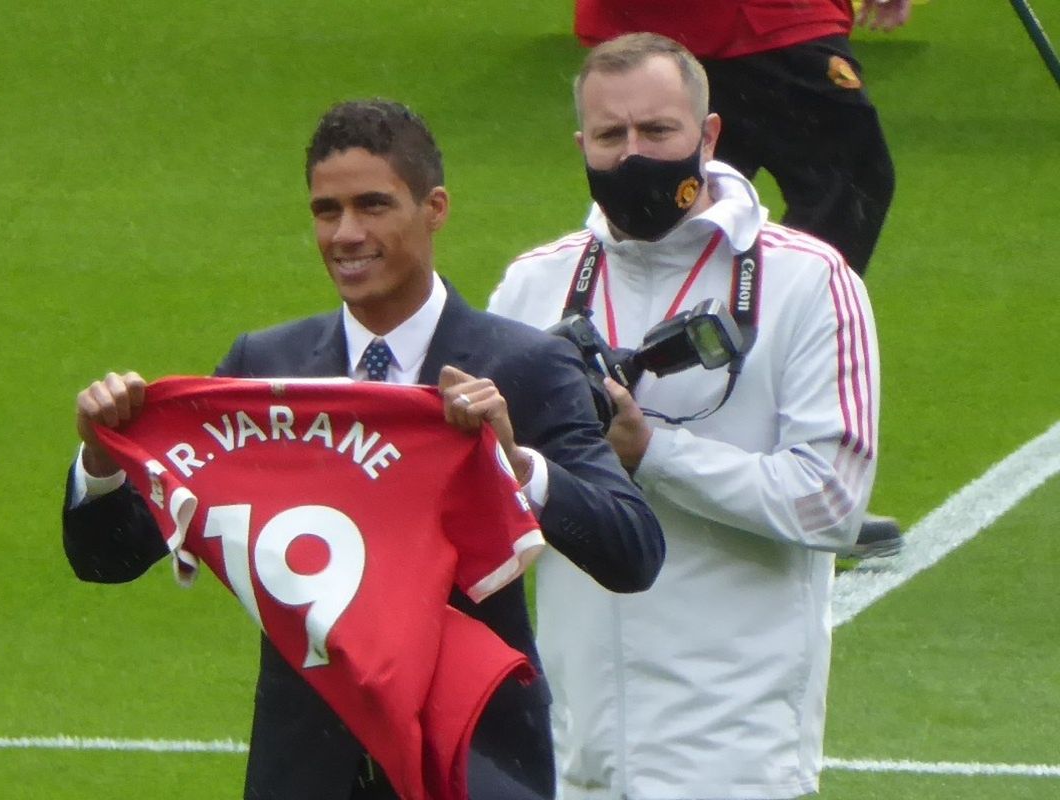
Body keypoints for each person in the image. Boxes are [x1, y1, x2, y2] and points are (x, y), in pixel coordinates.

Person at [62, 99, 665, 800]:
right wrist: (102, 463)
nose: (347, 234)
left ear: (433, 207)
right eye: (327, 211)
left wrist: (518, 467)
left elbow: (632, 551)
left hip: (474, 765)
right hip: (305, 773)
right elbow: (109, 558)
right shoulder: (268, 370)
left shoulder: (523, 366)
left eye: (373, 206)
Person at [488, 33, 879, 799]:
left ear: (708, 136)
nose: (633, 156)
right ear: (581, 145)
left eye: (657, 131)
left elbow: (832, 501)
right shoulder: (535, 287)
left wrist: (651, 454)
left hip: (732, 752)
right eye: (610, 136)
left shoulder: (808, 281)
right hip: (575, 749)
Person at [572, 0, 909, 558]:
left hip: (701, 21)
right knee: (843, 179)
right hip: (757, 18)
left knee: (661, 204)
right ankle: (785, 466)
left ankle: (641, 432)